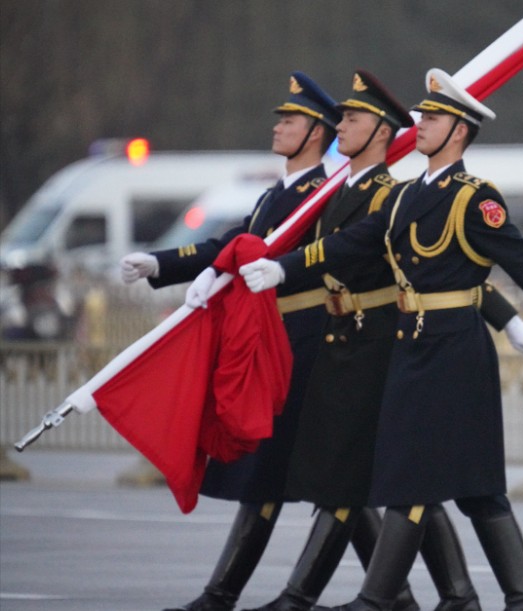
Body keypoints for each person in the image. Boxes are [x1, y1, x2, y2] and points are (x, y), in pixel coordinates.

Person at [237, 68, 523, 611]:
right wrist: (287, 267)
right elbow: (354, 243)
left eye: (432, 119)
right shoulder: (405, 195)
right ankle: (499, 601)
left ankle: (394, 601)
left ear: (459, 131)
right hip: (411, 349)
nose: (421, 125)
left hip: (455, 350)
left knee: (447, 487)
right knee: (445, 486)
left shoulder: (472, 198)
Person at [120, 71, 342, 611]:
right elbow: (231, 242)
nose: (278, 128)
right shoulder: (277, 195)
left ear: (316, 132)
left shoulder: (325, 196)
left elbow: (325, 260)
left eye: (289, 121)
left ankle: (232, 595)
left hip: (306, 342)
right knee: (291, 476)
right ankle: (223, 595)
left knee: (320, 480)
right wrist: (162, 263)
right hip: (272, 339)